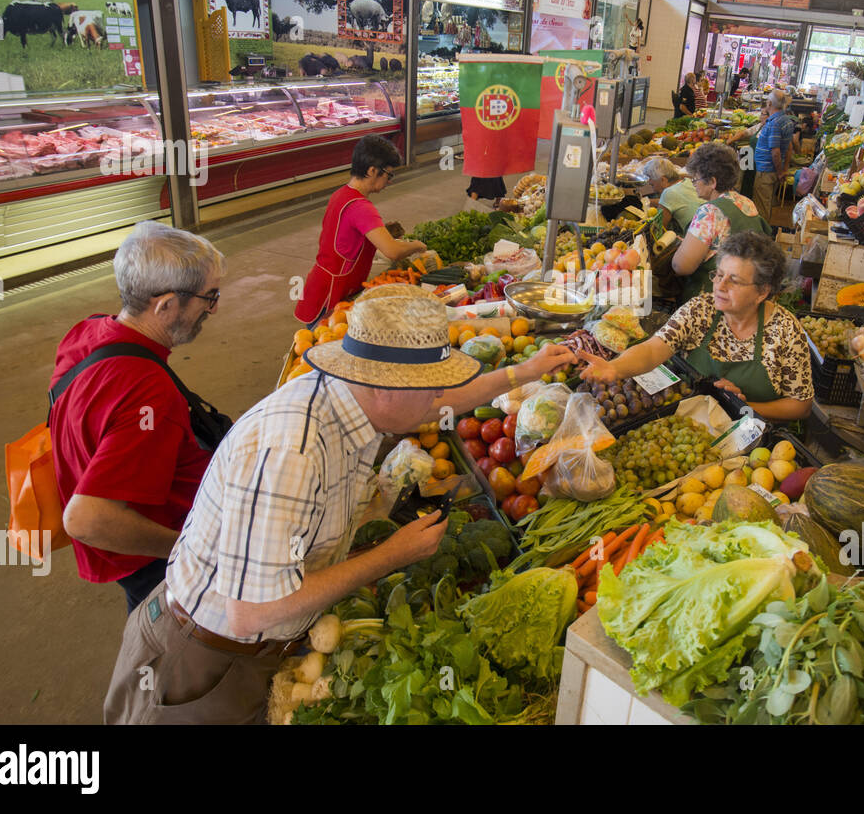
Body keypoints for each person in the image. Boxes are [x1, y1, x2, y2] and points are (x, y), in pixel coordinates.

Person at [103, 294, 578, 724]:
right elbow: (251, 610)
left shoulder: (348, 396)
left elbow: (438, 405)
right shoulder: (293, 452)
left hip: (247, 647)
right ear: (385, 387)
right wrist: (392, 555)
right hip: (203, 664)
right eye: (430, 389)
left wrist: (524, 371)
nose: (438, 403)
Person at [49, 222, 226, 613]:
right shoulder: (148, 394)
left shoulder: (88, 331)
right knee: (168, 646)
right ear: (165, 305)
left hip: (125, 553)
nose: (213, 308)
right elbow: (86, 519)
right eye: (209, 297)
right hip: (154, 562)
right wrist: (188, 547)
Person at [579, 231, 813, 421]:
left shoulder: (785, 332)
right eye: (719, 275)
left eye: (734, 280)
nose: (720, 286)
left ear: (762, 292)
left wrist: (740, 406)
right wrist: (615, 368)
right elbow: (653, 349)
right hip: (693, 422)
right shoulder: (702, 310)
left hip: (755, 436)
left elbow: (800, 405)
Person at [295, 135, 427, 325]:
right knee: (319, 343)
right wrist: (416, 245)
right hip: (333, 295)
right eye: (388, 175)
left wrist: (383, 232)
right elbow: (393, 252)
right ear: (372, 171)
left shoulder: (341, 194)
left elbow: (348, 236)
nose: (389, 182)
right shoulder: (362, 208)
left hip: (321, 285)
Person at [672, 142, 772, 299]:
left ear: (712, 182)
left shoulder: (710, 212)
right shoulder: (746, 202)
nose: (694, 184)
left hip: (712, 299)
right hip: (742, 294)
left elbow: (682, 267)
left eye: (695, 179)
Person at [753, 89, 795, 223]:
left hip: (766, 171)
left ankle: (760, 238)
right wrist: (784, 169)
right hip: (774, 170)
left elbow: (775, 151)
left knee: (762, 208)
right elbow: (789, 148)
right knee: (767, 203)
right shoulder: (786, 120)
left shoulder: (775, 123)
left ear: (770, 103)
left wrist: (780, 171)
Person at [638, 157, 702, 235]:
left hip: (693, 237)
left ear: (663, 180)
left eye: (652, 185)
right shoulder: (687, 181)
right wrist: (648, 201)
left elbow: (658, 230)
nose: (653, 190)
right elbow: (674, 201)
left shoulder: (668, 193)